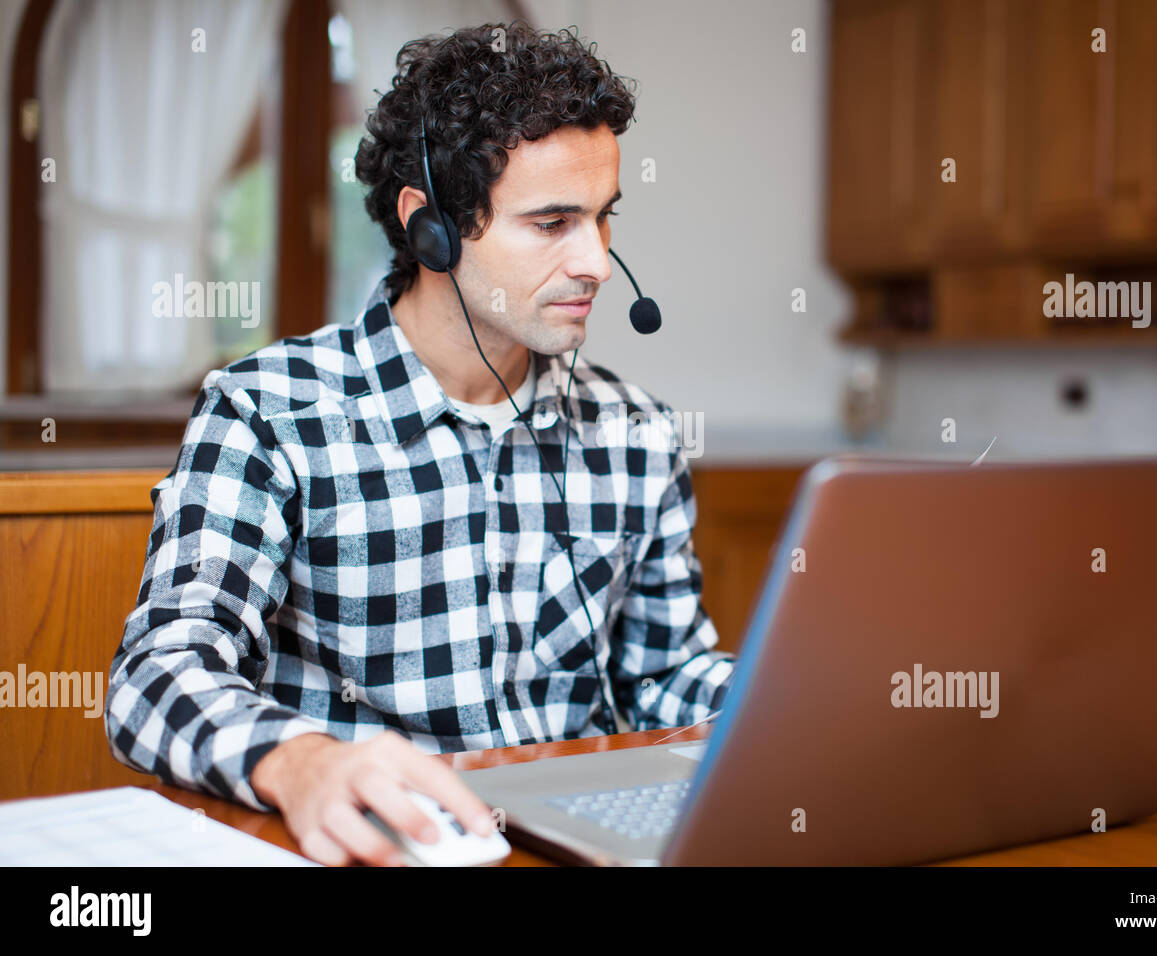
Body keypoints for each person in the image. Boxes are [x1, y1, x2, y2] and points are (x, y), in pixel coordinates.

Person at [105, 21, 734, 866]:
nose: (596, 261)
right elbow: (157, 675)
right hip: (376, 850)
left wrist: (782, 706)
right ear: (428, 225)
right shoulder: (269, 411)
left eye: (602, 218)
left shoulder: (636, 433)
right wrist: (301, 765)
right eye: (552, 223)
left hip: (574, 848)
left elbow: (663, 678)